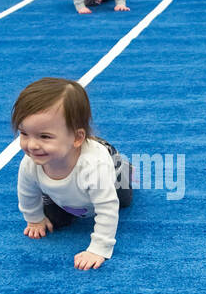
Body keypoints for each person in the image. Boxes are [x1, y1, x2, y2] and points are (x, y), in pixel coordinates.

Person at [13, 77, 132, 270]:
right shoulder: (31, 163)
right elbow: (27, 193)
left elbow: (107, 208)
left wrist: (98, 248)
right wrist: (34, 218)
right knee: (55, 220)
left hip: (109, 173)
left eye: (44, 136)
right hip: (69, 191)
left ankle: (124, 165)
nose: (32, 145)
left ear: (77, 138)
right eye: (24, 134)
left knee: (124, 200)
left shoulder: (94, 167)